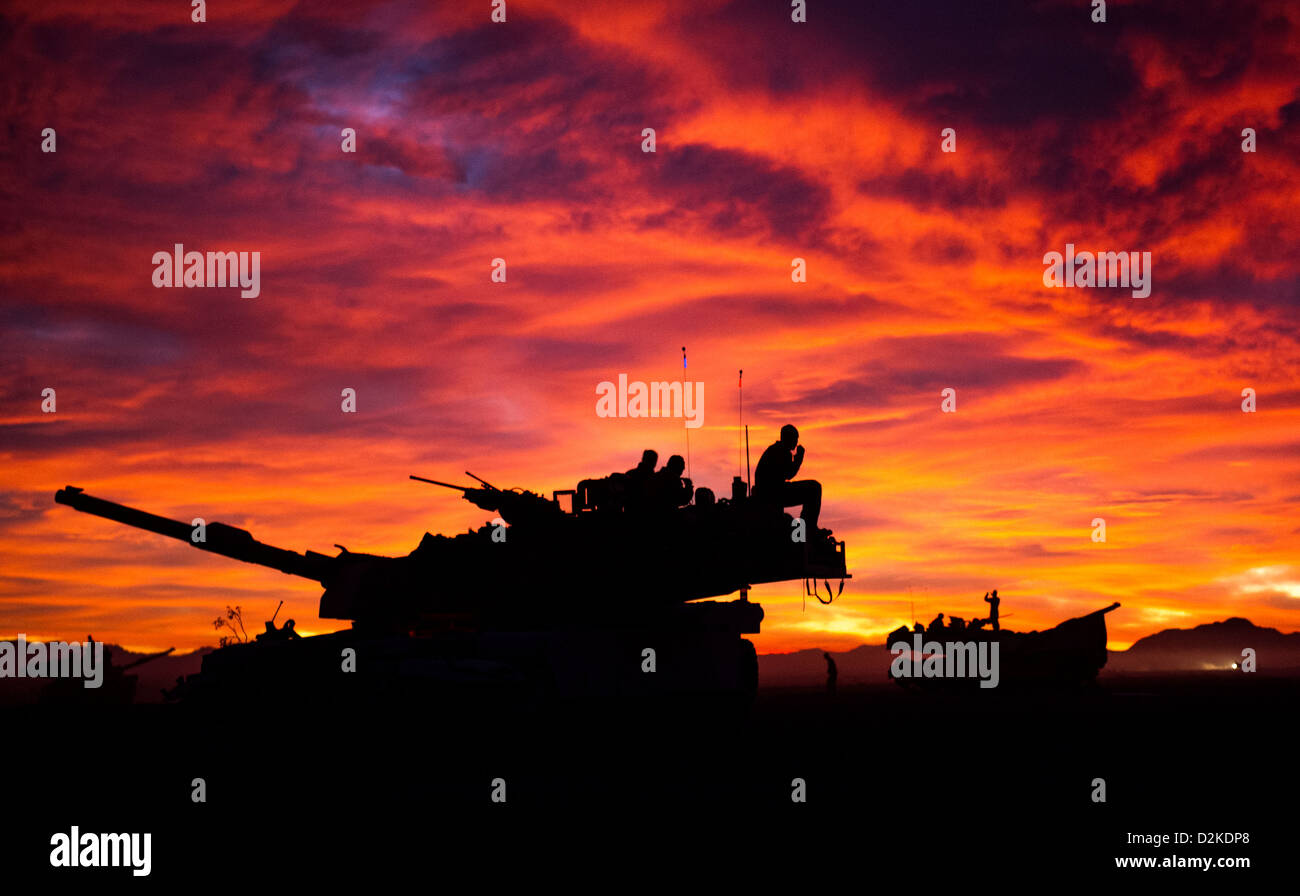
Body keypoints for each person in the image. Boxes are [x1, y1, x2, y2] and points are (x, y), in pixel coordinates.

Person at [752, 425, 822, 531]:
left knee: (813, 487)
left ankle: (807, 526)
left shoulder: (775, 450)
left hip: (772, 491)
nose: (796, 442)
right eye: (795, 439)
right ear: (788, 438)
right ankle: (809, 527)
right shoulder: (780, 451)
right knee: (814, 488)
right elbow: (789, 474)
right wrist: (799, 458)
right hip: (774, 493)